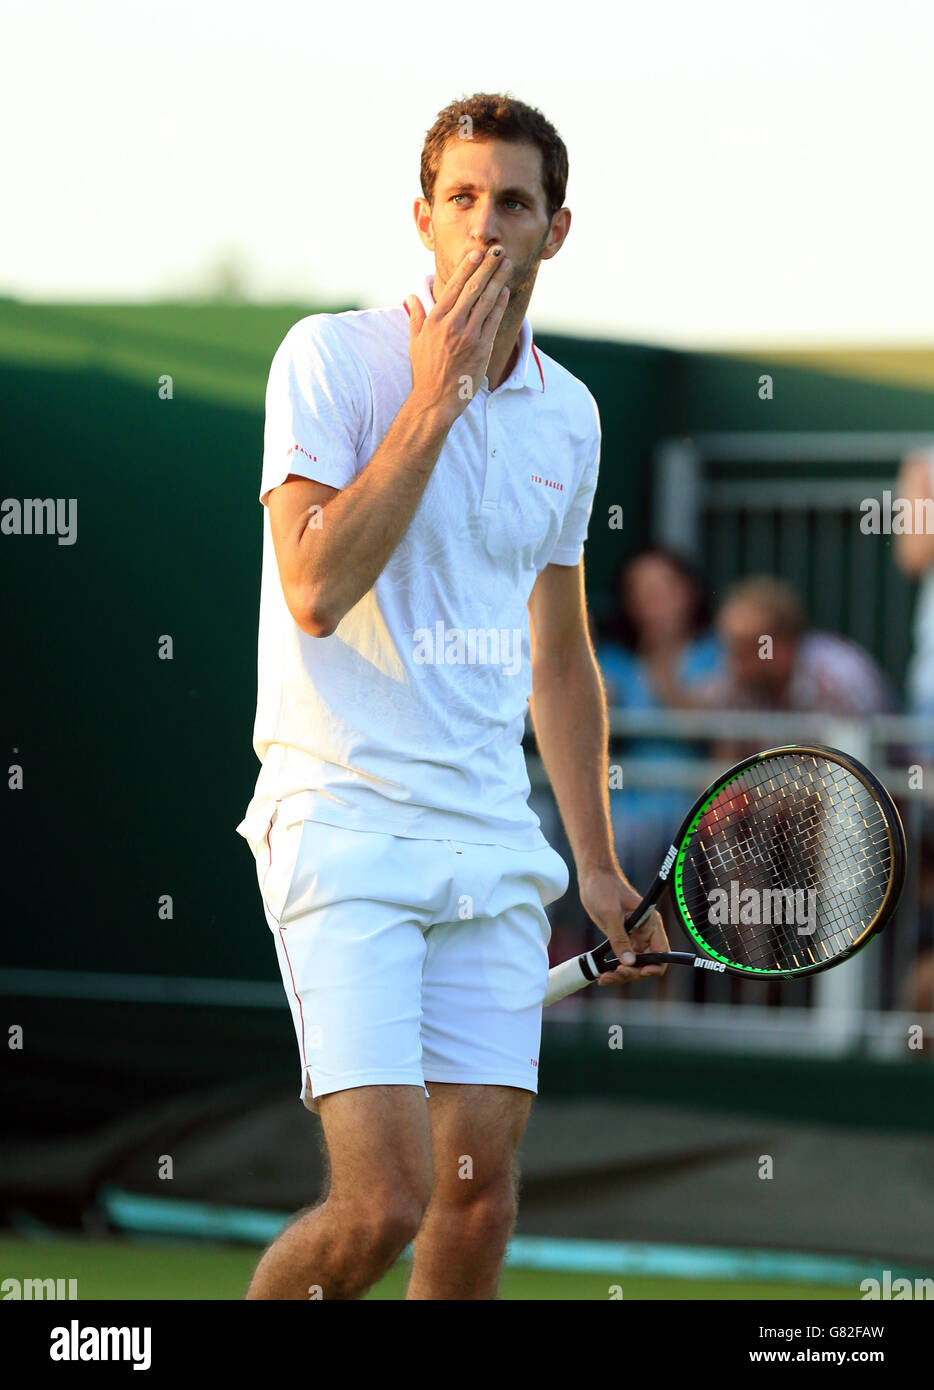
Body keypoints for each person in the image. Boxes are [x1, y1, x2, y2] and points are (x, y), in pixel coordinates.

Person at [235, 92, 668, 1302]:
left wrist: (592, 864)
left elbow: (561, 654)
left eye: (513, 203)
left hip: (489, 836)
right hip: (342, 820)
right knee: (381, 1202)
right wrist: (436, 397)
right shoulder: (329, 357)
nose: (486, 227)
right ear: (421, 219)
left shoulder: (573, 415)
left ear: (555, 229)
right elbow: (315, 588)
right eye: (463, 200)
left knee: (475, 1201)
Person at [597, 547, 722, 890]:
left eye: (663, 590)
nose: (651, 603)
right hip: (626, 805)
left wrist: (662, 662)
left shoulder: (716, 653)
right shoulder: (612, 658)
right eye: (639, 593)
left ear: (690, 593)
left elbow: (703, 729)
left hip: (692, 804)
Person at [683, 575, 896, 760]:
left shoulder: (836, 681)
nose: (732, 659)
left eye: (745, 646)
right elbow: (698, 720)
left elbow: (856, 783)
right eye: (729, 644)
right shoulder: (739, 679)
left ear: (782, 646)